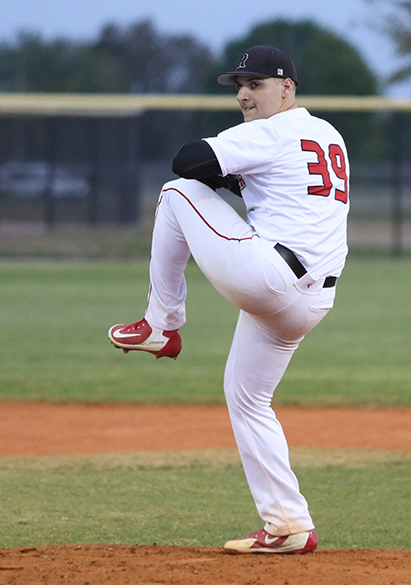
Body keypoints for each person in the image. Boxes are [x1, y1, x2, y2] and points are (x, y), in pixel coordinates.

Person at [108, 45, 349, 555]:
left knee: (176, 192)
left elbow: (188, 159)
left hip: (271, 278)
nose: (243, 94)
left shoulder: (270, 132)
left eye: (256, 83)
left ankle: (160, 324)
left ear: (287, 87)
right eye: (239, 85)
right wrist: (231, 178)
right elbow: (283, 192)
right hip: (311, 301)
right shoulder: (327, 134)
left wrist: (219, 173)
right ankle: (289, 524)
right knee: (248, 399)